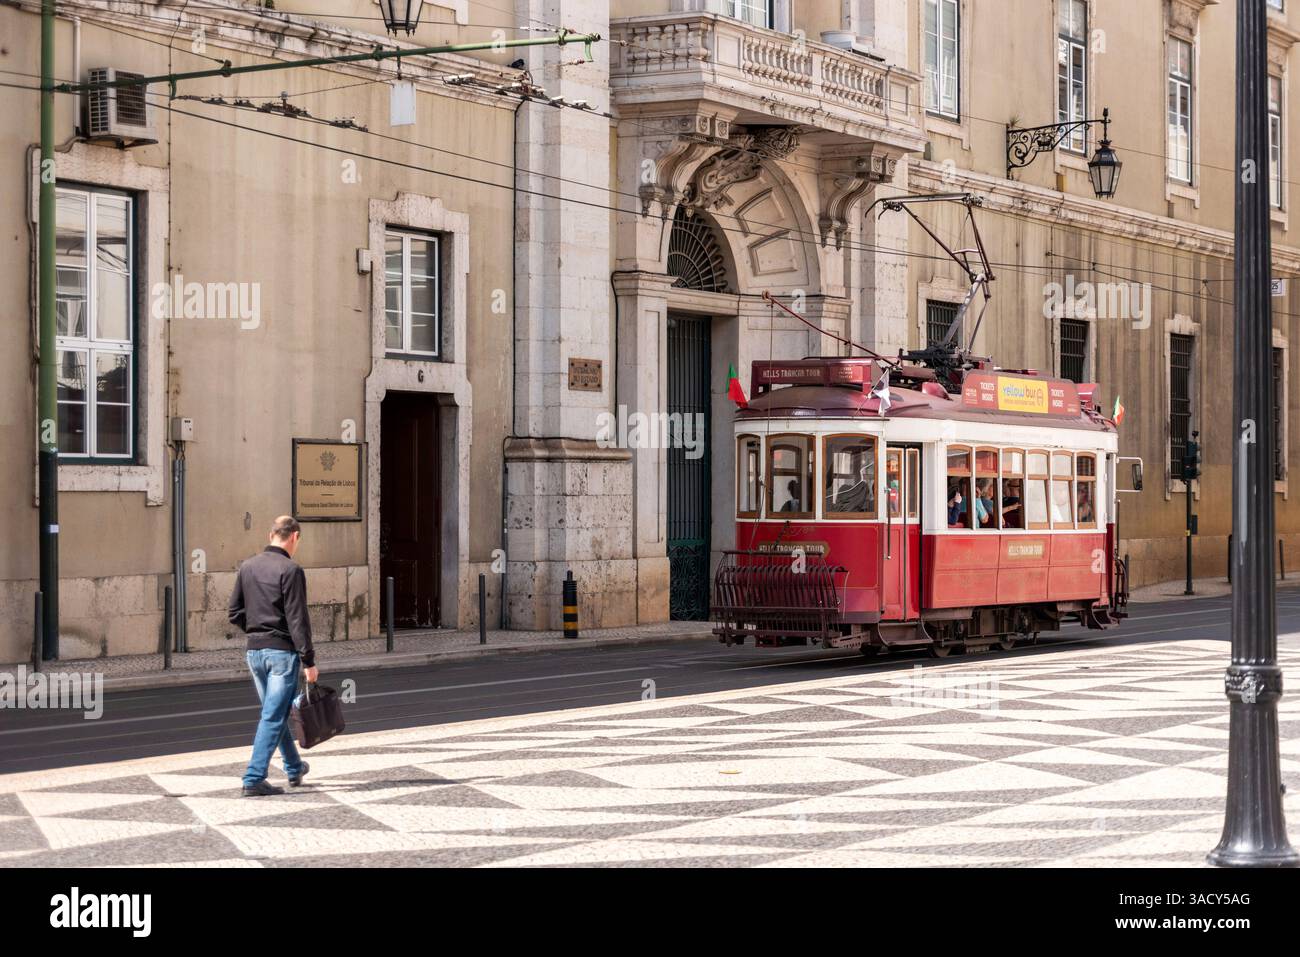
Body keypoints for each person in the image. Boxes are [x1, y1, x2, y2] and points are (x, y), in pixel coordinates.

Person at [228, 515, 319, 797]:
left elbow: (234, 613)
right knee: (273, 716)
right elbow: (297, 620)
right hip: (282, 654)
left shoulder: (248, 566)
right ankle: (253, 778)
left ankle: (294, 768)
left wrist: (257, 631)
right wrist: (309, 660)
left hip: (254, 652)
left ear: (271, 535)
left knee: (274, 713)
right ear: (294, 537)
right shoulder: (291, 570)